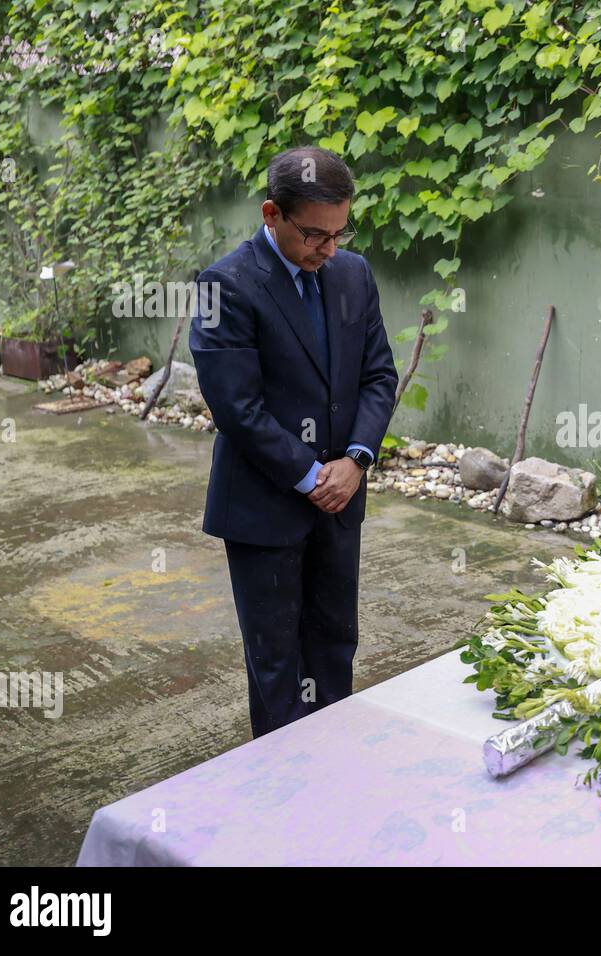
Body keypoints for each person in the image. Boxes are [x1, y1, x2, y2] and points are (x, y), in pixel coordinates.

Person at [189, 146, 398, 737]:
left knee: (335, 647)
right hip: (265, 509)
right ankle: (281, 799)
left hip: (341, 502)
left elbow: (378, 375)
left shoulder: (352, 273)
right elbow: (238, 408)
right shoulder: (223, 286)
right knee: (277, 668)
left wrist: (355, 461)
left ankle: (333, 774)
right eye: (314, 236)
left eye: (339, 233)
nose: (329, 249)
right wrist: (312, 476)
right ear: (271, 214)